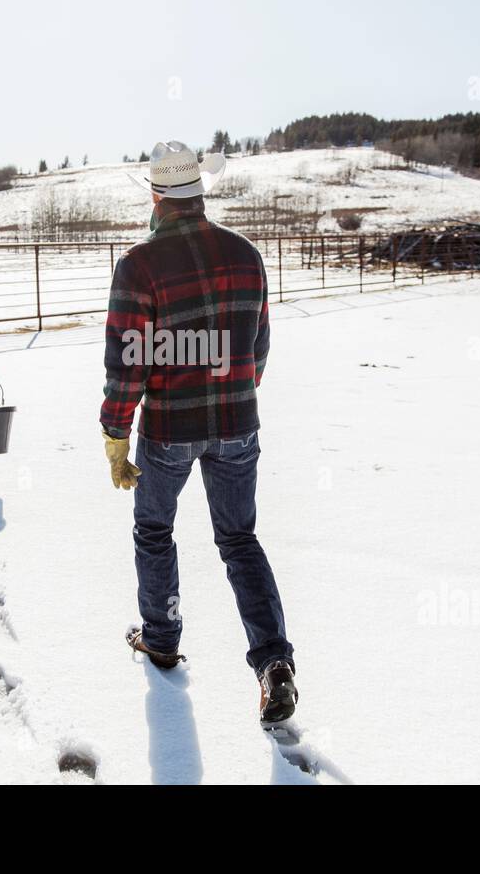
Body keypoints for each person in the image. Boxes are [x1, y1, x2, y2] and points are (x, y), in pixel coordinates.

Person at [101, 141, 298, 725]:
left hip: (168, 428)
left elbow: (126, 362)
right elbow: (257, 347)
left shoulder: (139, 264)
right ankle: (273, 663)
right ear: (199, 193)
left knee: (154, 529)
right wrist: (237, 386)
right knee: (239, 540)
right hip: (238, 423)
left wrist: (116, 430)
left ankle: (160, 637)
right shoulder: (246, 255)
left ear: (158, 196)